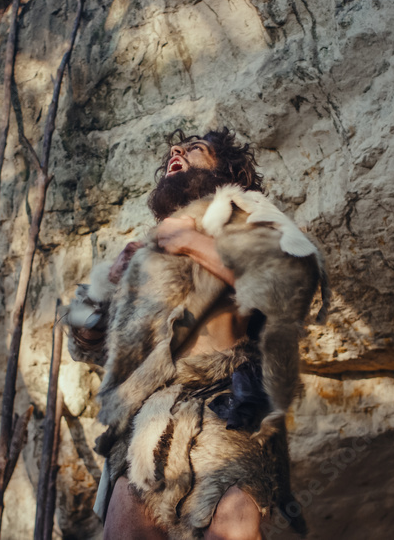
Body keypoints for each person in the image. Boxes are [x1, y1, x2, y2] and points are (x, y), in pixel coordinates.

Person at [68, 127, 323, 539]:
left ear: (230, 174)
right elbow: (90, 348)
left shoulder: (251, 225)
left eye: (195, 149)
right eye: (175, 149)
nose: (177, 153)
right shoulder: (144, 255)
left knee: (232, 527)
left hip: (226, 409)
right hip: (144, 422)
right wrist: (106, 286)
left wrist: (188, 240)